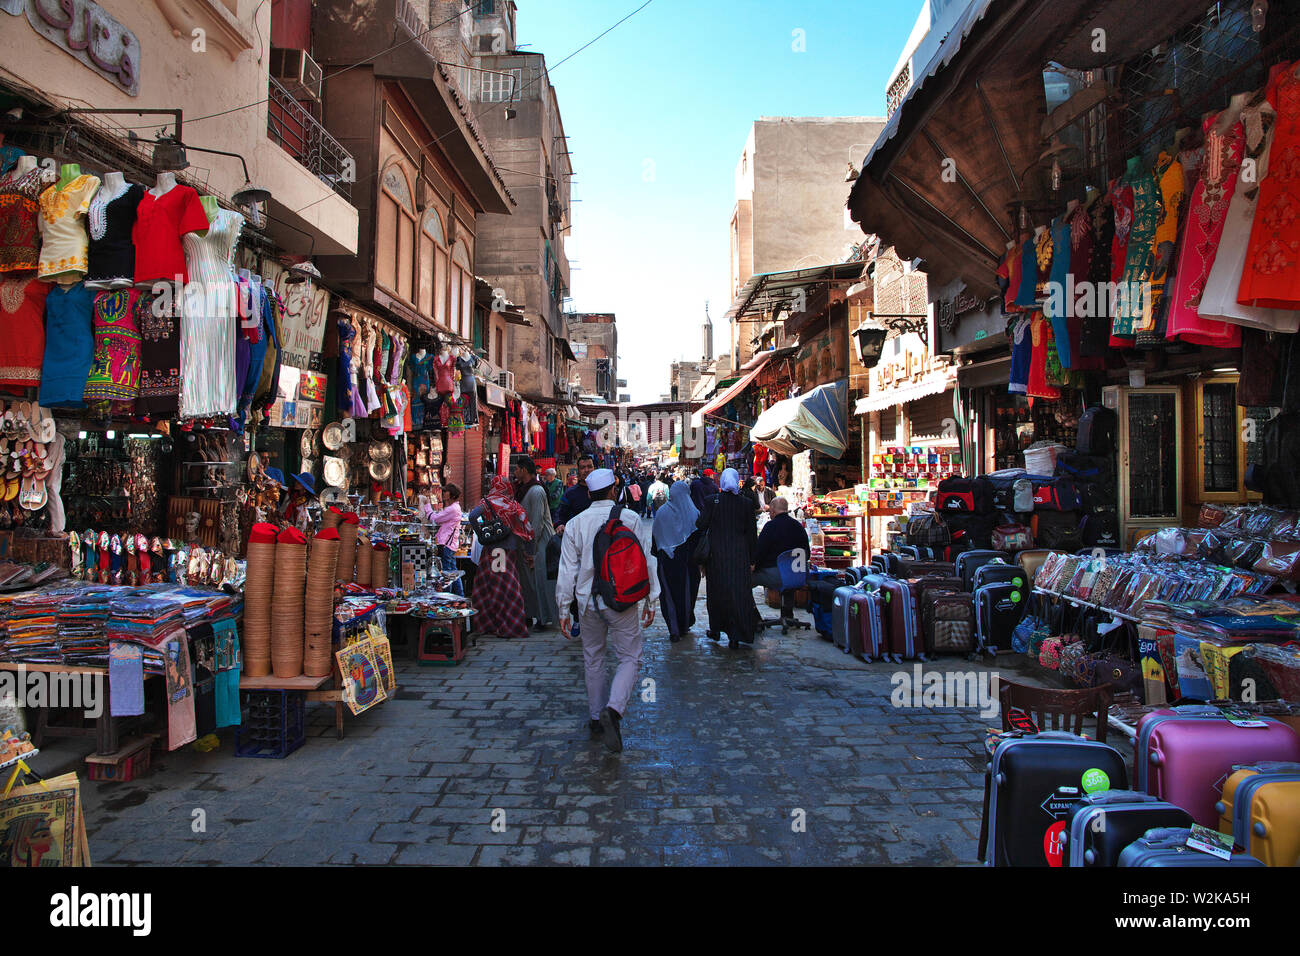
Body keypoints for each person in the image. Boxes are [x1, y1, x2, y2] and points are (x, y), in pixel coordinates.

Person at [556, 468, 658, 754]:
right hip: (621, 601)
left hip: (587, 601)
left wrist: (564, 609)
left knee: (593, 657)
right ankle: (614, 709)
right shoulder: (631, 518)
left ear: (589, 494)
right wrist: (652, 599)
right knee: (630, 658)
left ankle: (595, 716)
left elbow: (568, 571)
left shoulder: (576, 524)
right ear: (614, 490)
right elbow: (646, 560)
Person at [697, 468, 759, 648]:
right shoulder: (746, 504)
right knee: (739, 594)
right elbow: (751, 535)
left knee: (717, 593)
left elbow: (700, 524)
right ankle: (736, 635)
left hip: (716, 557)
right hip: (740, 556)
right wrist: (753, 560)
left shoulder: (711, 502)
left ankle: (716, 629)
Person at [467, 476, 533, 640]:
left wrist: (481, 532)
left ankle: (490, 623)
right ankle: (509, 624)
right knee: (505, 586)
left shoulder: (487, 502)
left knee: (494, 586)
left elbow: (472, 516)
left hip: (492, 549)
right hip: (508, 549)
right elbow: (526, 525)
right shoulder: (512, 504)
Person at [652, 480, 700, 642]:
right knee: (687, 594)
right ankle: (684, 625)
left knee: (668, 595)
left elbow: (655, 540)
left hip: (666, 562)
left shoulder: (662, 512)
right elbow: (697, 541)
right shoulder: (694, 513)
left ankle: (674, 629)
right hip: (688, 564)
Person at [513, 455, 557, 629]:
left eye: (517, 469)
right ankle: (535, 614)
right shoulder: (525, 489)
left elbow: (537, 522)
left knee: (541, 580)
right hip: (530, 540)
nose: (515, 472)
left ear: (524, 470)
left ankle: (543, 617)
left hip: (541, 541)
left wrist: (532, 547)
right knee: (531, 581)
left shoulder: (536, 491)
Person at [750, 497, 810, 623]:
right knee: (788, 574)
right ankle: (787, 613)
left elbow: (760, 553)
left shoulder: (770, 527)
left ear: (772, 511)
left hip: (777, 576)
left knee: (744, 580)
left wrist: (754, 566)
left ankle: (753, 616)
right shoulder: (798, 526)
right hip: (799, 575)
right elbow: (807, 554)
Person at [420, 484, 464, 596]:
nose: (443, 493)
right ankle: (460, 595)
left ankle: (446, 597)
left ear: (452, 495)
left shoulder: (452, 509)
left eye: (446, 491)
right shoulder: (453, 508)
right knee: (453, 573)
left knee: (447, 575)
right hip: (449, 544)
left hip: (447, 545)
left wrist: (427, 505)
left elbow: (435, 518)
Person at [554, 454, 595, 531]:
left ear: (594, 468)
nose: (586, 470)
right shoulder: (570, 493)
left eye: (589, 467)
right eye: (583, 468)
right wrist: (559, 524)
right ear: (578, 470)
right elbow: (560, 513)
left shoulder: (602, 490)